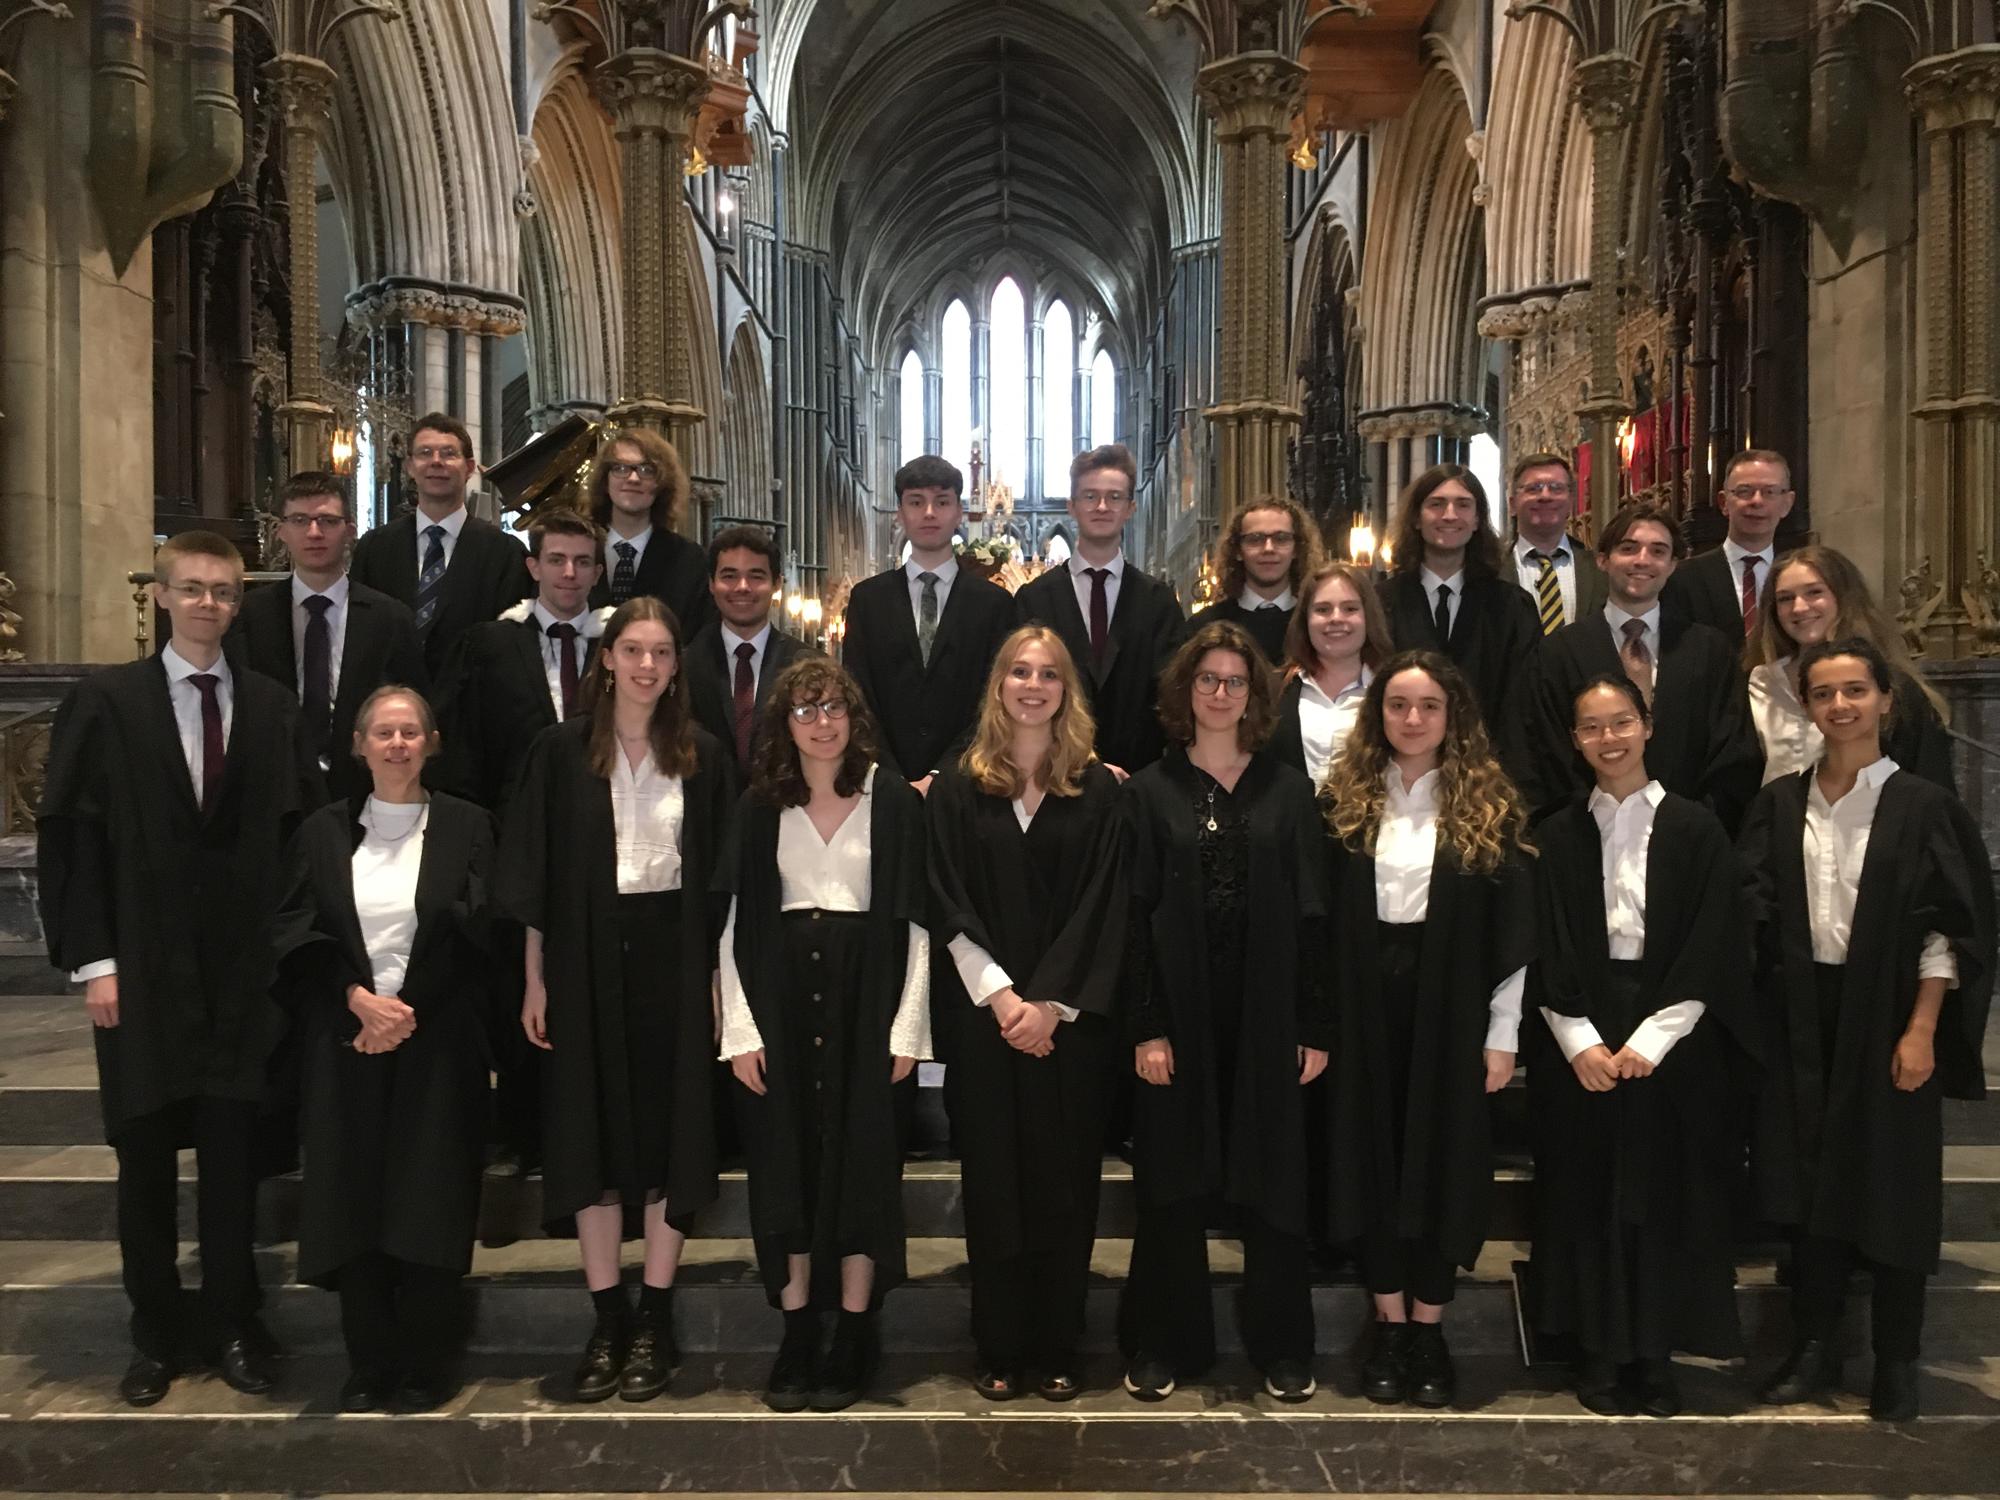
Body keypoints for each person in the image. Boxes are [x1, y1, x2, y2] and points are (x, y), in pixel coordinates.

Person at [38, 531, 319, 1406]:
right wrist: (96, 962)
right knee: (148, 1165)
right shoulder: (108, 702)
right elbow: (71, 835)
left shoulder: (272, 706)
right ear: (161, 596)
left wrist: (287, 959)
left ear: (241, 603)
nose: (208, 604)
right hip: (143, 971)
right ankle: (156, 1334)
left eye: (225, 592)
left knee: (234, 1167)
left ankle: (236, 1322)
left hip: (241, 978)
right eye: (192, 589)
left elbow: (298, 843)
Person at [1740, 636, 1993, 1422]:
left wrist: (1922, 1029)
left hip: (1888, 1012)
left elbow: (1947, 930)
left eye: (1855, 690)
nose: (1840, 706)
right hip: (1801, 1015)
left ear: (1885, 699)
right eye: (1824, 694)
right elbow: (1752, 913)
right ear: (1807, 707)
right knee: (1810, 1184)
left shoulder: (1922, 806)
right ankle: (1815, 1348)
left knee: (1893, 1188)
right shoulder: (1781, 802)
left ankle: (1898, 1360)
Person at [496, 596, 737, 1404]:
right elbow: (533, 877)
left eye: (661, 653)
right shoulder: (559, 752)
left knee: (672, 1134)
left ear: (676, 666)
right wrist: (536, 978)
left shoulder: (701, 753)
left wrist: (716, 983)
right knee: (590, 1132)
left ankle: (656, 1317)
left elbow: (720, 886)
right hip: (584, 956)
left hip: (674, 956)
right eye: (631, 650)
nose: (645, 666)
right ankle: (607, 1317)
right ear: (606, 658)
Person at [1525, 675, 1757, 1417]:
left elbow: (1713, 937)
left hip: (1674, 1030)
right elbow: (1546, 941)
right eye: (1592, 727)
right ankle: (1597, 1352)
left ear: (1647, 725)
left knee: (1664, 1196)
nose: (1609, 739)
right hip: (1582, 1024)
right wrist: (1579, 1040)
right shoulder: (1555, 833)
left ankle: (1654, 1357)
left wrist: (1655, 1037)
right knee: (1587, 1192)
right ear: (1575, 740)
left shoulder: (1695, 829)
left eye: (1621, 722)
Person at [1118, 621, 1330, 1404]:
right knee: (1170, 1185)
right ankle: (1164, 1342)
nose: (1219, 693)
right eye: (1206, 679)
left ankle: (1282, 1345)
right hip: (1178, 1013)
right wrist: (1145, 1024)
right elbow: (1132, 917)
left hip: (1269, 1013)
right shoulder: (1148, 792)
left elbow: (1314, 914)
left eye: (1235, 681)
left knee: (1276, 1185)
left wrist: (1313, 1024)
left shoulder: (1288, 789)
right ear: (1183, 691)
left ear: (1256, 695)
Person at [1319, 650, 1533, 1410]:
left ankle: (1430, 1326)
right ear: (1378, 715)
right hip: (1364, 1007)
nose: (1413, 719)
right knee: (1370, 1156)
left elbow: (1513, 936)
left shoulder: (1487, 805)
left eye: (1429, 706)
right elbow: (1317, 926)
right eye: (1399, 705)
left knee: (1445, 1161)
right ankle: (1388, 1322)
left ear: (1453, 716)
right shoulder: (1342, 800)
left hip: (1453, 1008)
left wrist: (1501, 1034)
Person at [716, 658, 930, 1412]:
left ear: (855, 716)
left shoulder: (893, 799)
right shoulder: (757, 805)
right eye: (805, 710)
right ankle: (799, 1330)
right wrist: (738, 1028)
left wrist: (908, 1025)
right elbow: (734, 922)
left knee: (865, 1166)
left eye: (834, 706)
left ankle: (857, 1331)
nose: (821, 721)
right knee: (786, 1168)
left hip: (866, 1002)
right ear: (784, 723)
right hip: (779, 1001)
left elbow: (915, 920)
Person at [274, 686, 494, 1413]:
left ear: (432, 743)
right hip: (347, 1041)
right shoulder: (321, 834)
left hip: (438, 1041)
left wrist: (407, 1010)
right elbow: (297, 931)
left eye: (410, 732)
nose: (397, 744)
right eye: (383, 732)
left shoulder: (468, 826)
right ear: (359, 746)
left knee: (429, 1194)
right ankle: (369, 1360)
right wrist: (357, 1001)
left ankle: (426, 1360)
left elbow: (479, 931)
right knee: (354, 1194)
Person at [928, 625, 1126, 1401]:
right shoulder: (957, 783)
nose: (1033, 684)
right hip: (988, 1024)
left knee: (1064, 1185)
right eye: (1019, 670)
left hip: (1068, 1032)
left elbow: (1105, 904)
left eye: (1048, 673)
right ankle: (999, 1341)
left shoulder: (1100, 788)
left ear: (1066, 689)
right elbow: (943, 893)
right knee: (993, 1185)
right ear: (998, 685)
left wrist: (1051, 1003)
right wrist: (1004, 997)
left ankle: (1059, 1342)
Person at [1521, 501, 1760, 833]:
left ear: (1674, 564)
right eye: (1628, 548)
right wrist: (1592, 826)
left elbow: (1733, 752)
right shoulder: (1559, 653)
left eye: (1658, 551)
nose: (1643, 560)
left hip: (1690, 836)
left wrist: (1693, 824)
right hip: (1588, 836)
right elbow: (1546, 755)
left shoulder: (1709, 650)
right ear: (1602, 559)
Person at [227, 471, 428, 804]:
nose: (314, 532)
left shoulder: (389, 618)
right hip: (274, 787)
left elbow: (413, 706)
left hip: (365, 787)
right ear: (281, 532)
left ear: (350, 531)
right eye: (300, 520)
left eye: (328, 521)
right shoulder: (250, 615)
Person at [840, 456, 1016, 791]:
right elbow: (857, 691)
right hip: (884, 782)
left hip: (968, 782)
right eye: (916, 502)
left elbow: (995, 697)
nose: (930, 512)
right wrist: (890, 774)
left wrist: (942, 774)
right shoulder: (868, 600)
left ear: (959, 513)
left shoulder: (994, 604)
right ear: (900, 514)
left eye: (942, 501)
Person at [1014, 444, 1187, 778]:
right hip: (1053, 777)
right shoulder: (1034, 598)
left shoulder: (1158, 601)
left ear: (1130, 508)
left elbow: (1174, 694)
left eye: (1115, 497)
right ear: (1072, 507)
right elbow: (1019, 693)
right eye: (1090, 496)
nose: (1102, 507)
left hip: (1141, 780)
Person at [435, 510, 609, 818]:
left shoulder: (619, 649)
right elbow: (463, 753)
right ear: (534, 567)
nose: (569, 573)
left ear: (596, 573)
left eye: (582, 562)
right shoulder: (487, 647)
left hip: (602, 820)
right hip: (510, 824)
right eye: (556, 560)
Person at [1747, 545, 1954, 790]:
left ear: (1843, 597)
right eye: (1785, 598)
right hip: (1778, 822)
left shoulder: (1892, 686)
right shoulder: (1761, 682)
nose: (1799, 607)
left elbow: (1929, 786)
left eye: (1814, 592)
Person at [349, 411, 533, 680]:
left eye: (449, 454)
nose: (436, 462)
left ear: (469, 468)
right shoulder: (375, 548)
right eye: (425, 453)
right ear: (410, 466)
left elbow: (512, 644)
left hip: (473, 706)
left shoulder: (505, 553)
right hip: (392, 706)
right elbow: (359, 633)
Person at [1377, 465, 1542, 753]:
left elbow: (1523, 703)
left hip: (1487, 768)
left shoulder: (1512, 606)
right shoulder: (1382, 603)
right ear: (1416, 518)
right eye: (1436, 504)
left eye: (1463, 505)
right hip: (1400, 764)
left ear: (1477, 519)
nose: (1450, 515)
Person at [683, 524, 815, 780]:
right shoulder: (684, 666)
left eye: (756, 576)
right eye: (729, 576)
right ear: (711, 584)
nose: (742, 587)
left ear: (777, 583)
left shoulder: (807, 665)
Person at [1268, 561, 1394, 786]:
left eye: (1350, 608)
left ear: (1368, 617)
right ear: (1306, 619)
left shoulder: (1393, 691)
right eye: (1322, 609)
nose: (1336, 618)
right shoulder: (1272, 690)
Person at [585, 425, 712, 636]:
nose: (633, 479)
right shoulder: (579, 550)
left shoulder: (689, 560)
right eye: (620, 468)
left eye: (646, 470)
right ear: (605, 481)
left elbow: (697, 638)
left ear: (662, 484)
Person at [1661, 449, 1797, 639]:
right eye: (1744, 491)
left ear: (1787, 503)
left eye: (1770, 492)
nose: (1757, 501)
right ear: (1724, 502)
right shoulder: (1682, 578)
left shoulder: (1800, 574)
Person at [1188, 497, 1321, 665]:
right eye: (1255, 539)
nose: (1268, 548)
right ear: (1237, 550)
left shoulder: (1316, 622)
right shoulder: (1204, 626)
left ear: (1296, 549)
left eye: (1281, 538)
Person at [1507, 453, 1606, 636]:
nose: (1545, 496)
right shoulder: (1490, 568)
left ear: (1570, 503)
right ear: (1512, 504)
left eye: (1556, 488)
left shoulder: (1599, 570)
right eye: (1534, 489)